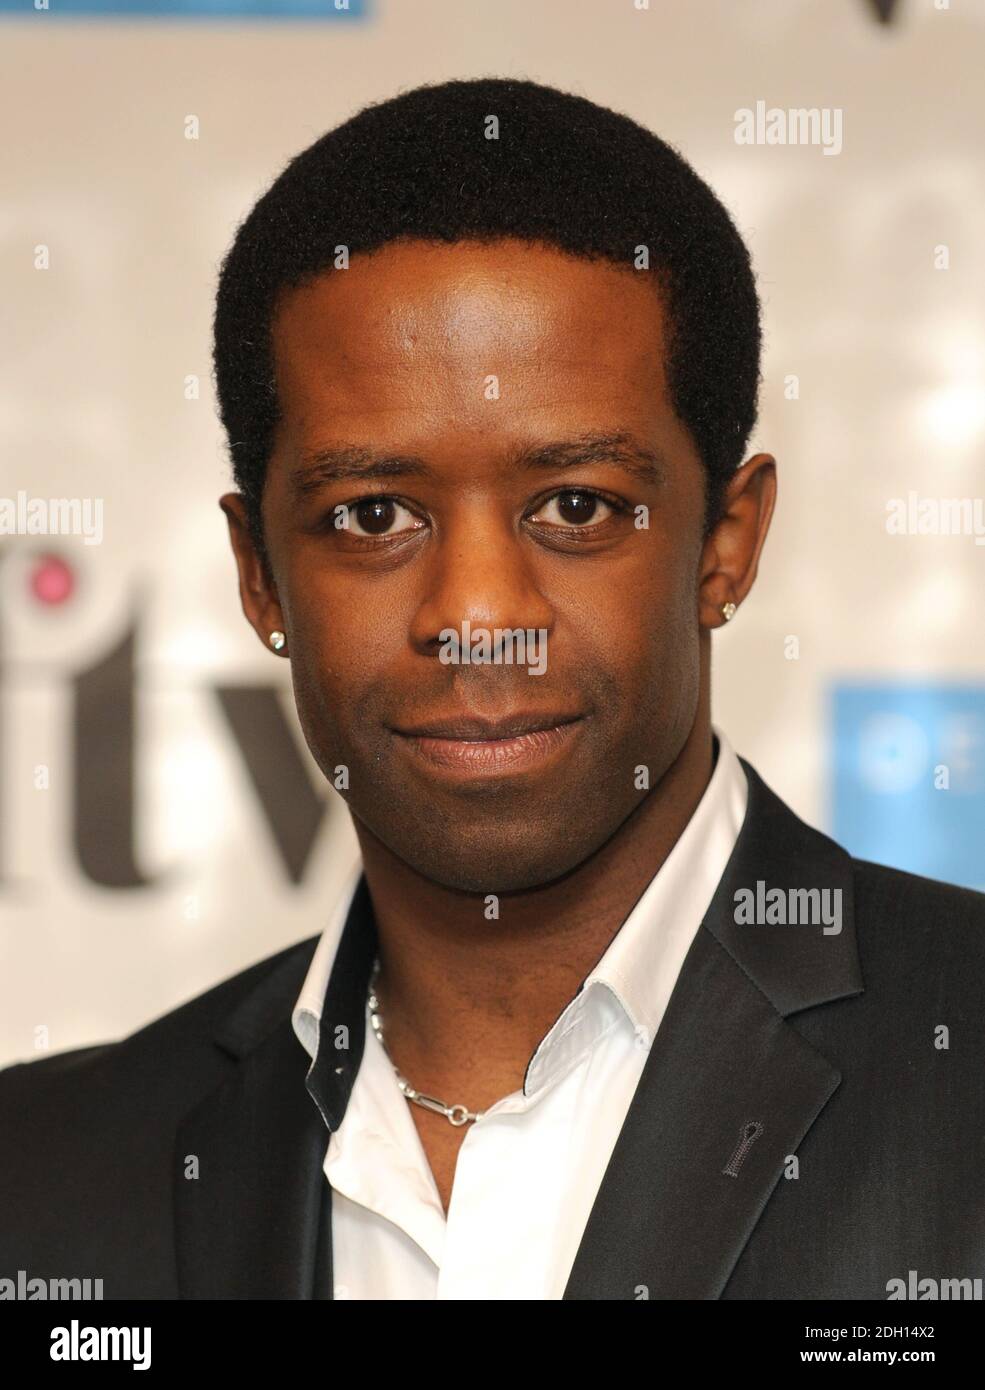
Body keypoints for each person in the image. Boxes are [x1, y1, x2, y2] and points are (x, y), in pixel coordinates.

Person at [2, 77, 983, 1302]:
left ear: (724, 544)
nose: (476, 619)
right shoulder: (40, 1184)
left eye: (576, 506)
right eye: (373, 515)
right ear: (258, 574)